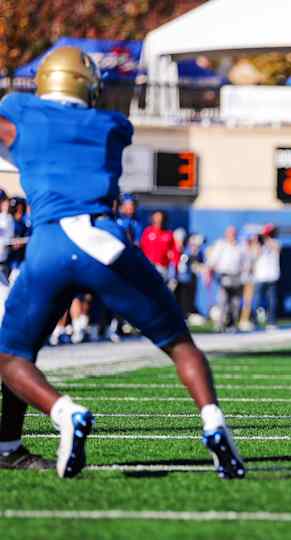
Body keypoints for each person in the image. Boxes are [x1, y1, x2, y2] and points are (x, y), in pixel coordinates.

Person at [0, 46, 245, 478]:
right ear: (89, 87)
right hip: (104, 244)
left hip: (50, 245)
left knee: (11, 357)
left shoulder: (20, 111)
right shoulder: (111, 126)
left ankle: (63, 412)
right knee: (180, 344)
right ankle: (213, 422)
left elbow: (12, 121)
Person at [205, 225, 249, 332]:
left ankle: (233, 324)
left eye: (234, 233)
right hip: (224, 275)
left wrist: (246, 274)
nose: (232, 235)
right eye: (230, 233)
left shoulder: (241, 245)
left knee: (236, 302)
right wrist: (208, 272)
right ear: (226, 234)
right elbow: (212, 260)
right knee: (223, 301)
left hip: (237, 276)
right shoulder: (221, 244)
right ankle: (220, 324)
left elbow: (246, 262)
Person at [253, 224, 282, 329]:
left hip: (272, 275)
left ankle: (272, 322)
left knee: (272, 300)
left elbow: (277, 249)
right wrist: (259, 243)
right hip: (261, 275)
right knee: (257, 300)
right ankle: (255, 321)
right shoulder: (259, 244)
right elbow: (255, 255)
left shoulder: (275, 242)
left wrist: (266, 239)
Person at [140, 210, 176, 280]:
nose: (158, 220)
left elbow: (173, 252)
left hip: (163, 268)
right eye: (156, 218)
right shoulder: (147, 232)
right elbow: (141, 248)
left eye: (160, 218)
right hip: (148, 267)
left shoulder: (169, 234)